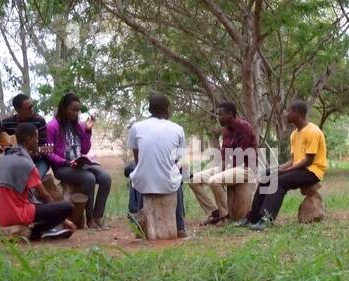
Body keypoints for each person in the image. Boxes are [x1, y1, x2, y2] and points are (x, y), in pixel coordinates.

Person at [239, 99, 327, 231]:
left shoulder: (313, 131)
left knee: (278, 181)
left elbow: (308, 160)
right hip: (300, 168)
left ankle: (266, 219)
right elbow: (294, 159)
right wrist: (279, 168)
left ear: (296, 113)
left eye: (288, 111)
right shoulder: (294, 134)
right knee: (266, 176)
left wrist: (286, 171)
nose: (286, 114)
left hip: (312, 171)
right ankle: (253, 217)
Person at [0, 122, 76, 241]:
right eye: (36, 137)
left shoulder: (4, 157)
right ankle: (36, 232)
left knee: (38, 206)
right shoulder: (26, 163)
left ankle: (38, 230)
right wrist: (63, 219)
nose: (38, 141)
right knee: (68, 207)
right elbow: (45, 195)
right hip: (18, 214)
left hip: (1, 217)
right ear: (29, 139)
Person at [126, 93, 189, 238]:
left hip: (144, 182)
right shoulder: (177, 128)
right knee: (177, 177)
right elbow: (179, 159)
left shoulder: (136, 127)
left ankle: (140, 225)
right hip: (168, 183)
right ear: (167, 109)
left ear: (150, 110)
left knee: (139, 175)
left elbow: (138, 159)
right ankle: (180, 226)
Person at [46, 92, 112, 230]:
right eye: (73, 110)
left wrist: (87, 132)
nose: (76, 113)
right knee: (89, 179)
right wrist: (65, 162)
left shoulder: (79, 126)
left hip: (79, 163)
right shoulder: (53, 126)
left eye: (78, 110)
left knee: (105, 177)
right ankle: (90, 219)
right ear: (64, 109)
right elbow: (49, 154)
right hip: (63, 167)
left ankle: (98, 216)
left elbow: (85, 149)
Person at [188, 101, 258, 225]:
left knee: (214, 181)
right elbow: (225, 154)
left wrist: (224, 170)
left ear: (230, 114)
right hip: (231, 167)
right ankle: (214, 213)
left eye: (220, 114)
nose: (217, 117)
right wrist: (221, 168)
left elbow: (240, 156)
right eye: (217, 114)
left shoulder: (244, 127)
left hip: (246, 168)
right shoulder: (226, 130)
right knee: (193, 180)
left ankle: (225, 216)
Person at [0, 94, 50, 178]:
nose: (32, 110)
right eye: (28, 108)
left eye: (32, 106)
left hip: (37, 160)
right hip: (15, 162)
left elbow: (42, 145)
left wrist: (35, 152)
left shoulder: (39, 121)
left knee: (34, 178)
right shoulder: (9, 122)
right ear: (17, 110)